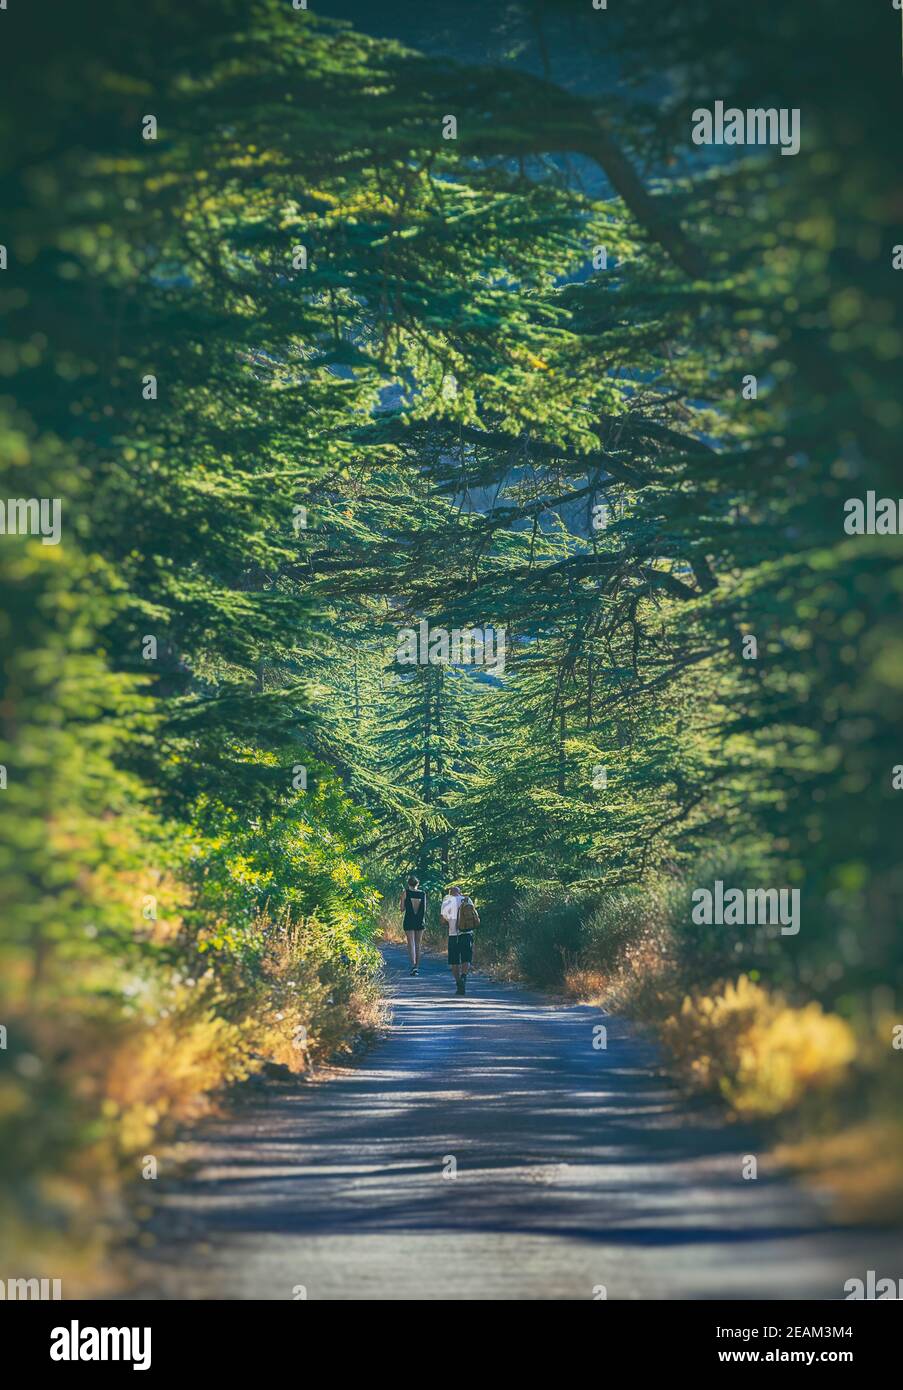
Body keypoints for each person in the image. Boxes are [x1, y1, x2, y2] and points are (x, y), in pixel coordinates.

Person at [440, 885, 479, 995]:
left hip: (453, 935)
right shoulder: (467, 900)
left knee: (454, 960)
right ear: (460, 892)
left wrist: (449, 923)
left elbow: (443, 920)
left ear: (450, 893)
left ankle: (458, 983)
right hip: (467, 933)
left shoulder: (447, 901)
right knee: (466, 957)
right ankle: (464, 976)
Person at [400, 876, 427, 975]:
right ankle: (417, 966)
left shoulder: (405, 893)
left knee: (411, 943)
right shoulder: (422, 893)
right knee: (418, 944)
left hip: (409, 919)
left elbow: (402, 908)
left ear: (408, 884)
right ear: (417, 884)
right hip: (420, 920)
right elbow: (424, 909)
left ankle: (413, 966)